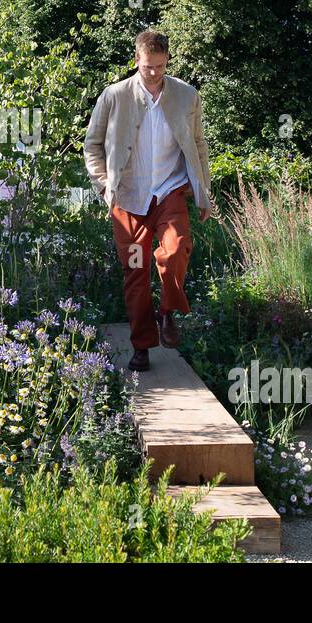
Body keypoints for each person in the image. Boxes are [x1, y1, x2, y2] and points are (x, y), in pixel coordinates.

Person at [83, 30, 215, 371]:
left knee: (175, 251)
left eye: (159, 66)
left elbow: (199, 145)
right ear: (136, 60)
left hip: (170, 191)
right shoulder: (114, 96)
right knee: (136, 273)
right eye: (146, 66)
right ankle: (142, 346)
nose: (153, 72)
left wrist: (203, 193)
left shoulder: (187, 96)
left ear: (167, 60)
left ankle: (168, 311)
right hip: (128, 199)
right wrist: (103, 185)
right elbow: (92, 145)